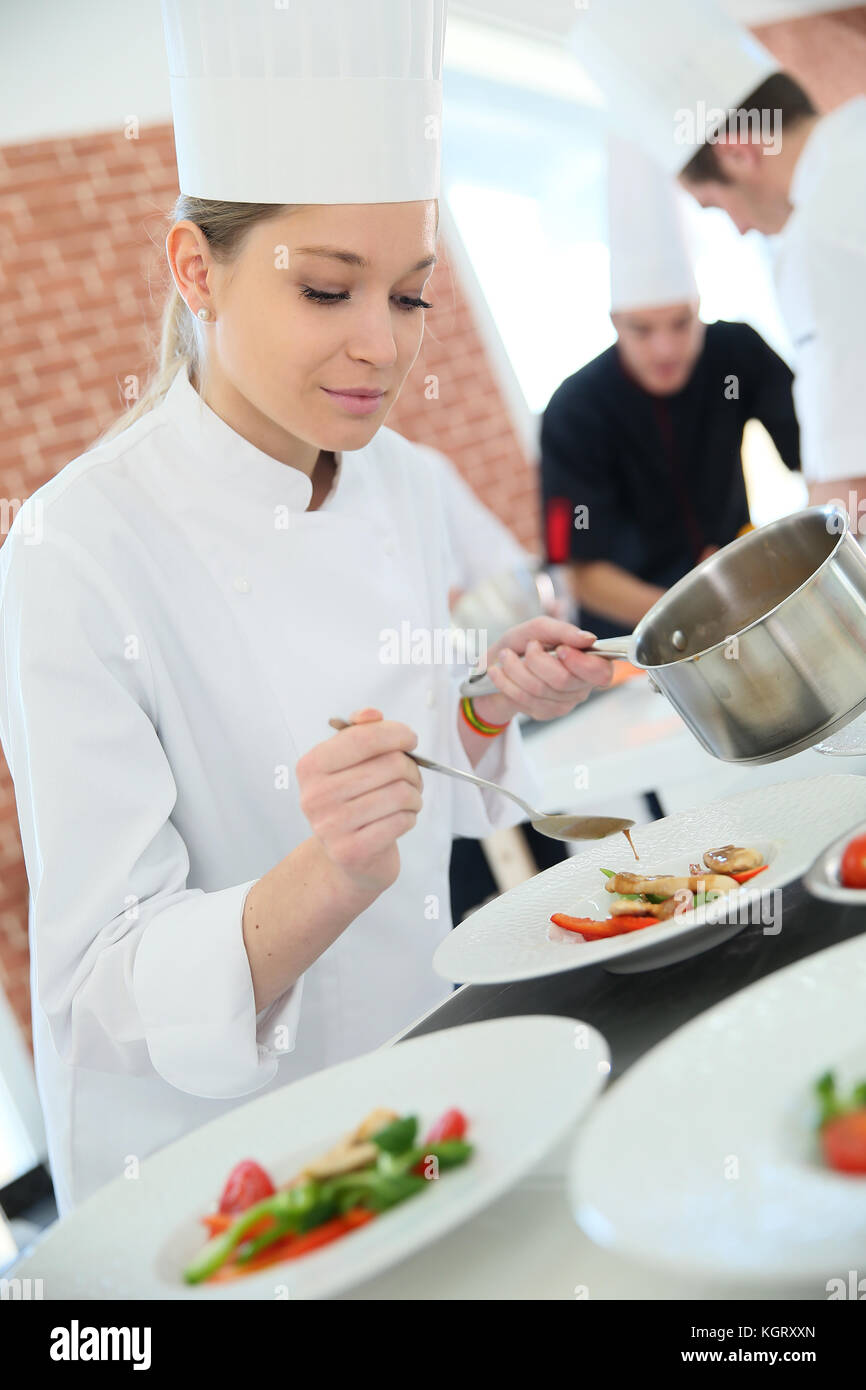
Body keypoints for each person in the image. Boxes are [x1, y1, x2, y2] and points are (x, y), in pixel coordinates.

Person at [0, 0, 613, 1214]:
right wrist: (327, 871)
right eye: (328, 291)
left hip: (419, 1074)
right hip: (219, 1174)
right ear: (196, 271)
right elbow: (104, 984)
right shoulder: (74, 550)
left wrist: (486, 700)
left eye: (410, 296)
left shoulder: (402, 479)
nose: (381, 348)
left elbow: (419, 743)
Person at [571, 0, 866, 517]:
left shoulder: (814, 240)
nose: (741, 227)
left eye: (716, 203)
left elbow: (850, 490)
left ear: (736, 152)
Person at [540, 137, 800, 638]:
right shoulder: (574, 410)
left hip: (737, 598)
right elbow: (580, 571)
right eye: (642, 330)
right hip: (634, 634)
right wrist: (696, 613)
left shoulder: (736, 354)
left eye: (681, 324)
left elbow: (815, 450)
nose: (665, 349)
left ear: (700, 307)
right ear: (615, 322)